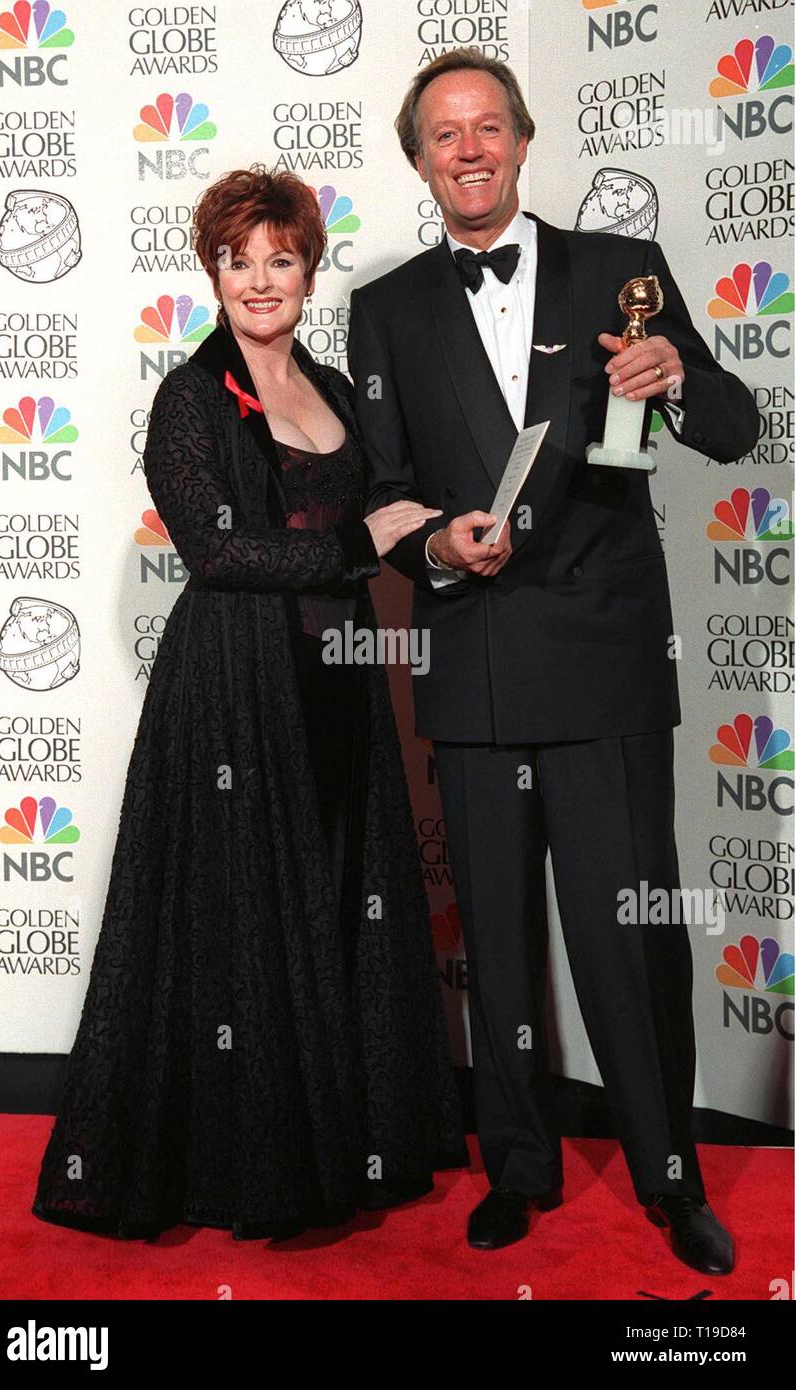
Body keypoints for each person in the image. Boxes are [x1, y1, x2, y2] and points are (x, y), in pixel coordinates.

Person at [347, 49, 761, 1273]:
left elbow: (732, 429)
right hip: (471, 658)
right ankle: (516, 1168)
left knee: (627, 936)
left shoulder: (619, 270)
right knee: (497, 939)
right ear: (418, 160)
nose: (466, 150)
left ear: (523, 140)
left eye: (486, 127)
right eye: (441, 135)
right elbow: (379, 492)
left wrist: (677, 374)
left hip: (603, 662)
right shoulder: (384, 306)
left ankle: (669, 1179)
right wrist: (435, 539)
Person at [32, 164, 469, 1243]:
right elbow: (217, 548)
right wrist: (349, 545)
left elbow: (381, 512)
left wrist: (438, 540)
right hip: (234, 689)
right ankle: (254, 1166)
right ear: (212, 272)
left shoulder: (327, 380)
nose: (260, 279)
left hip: (338, 685)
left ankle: (344, 1140)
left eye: (281, 257)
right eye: (239, 259)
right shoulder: (191, 395)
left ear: (308, 268)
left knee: (336, 899)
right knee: (241, 920)